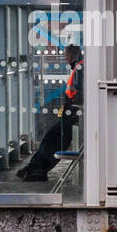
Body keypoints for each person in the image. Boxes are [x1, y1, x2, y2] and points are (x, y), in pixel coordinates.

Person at [18, 44, 83, 182]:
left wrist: (71, 109)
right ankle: (34, 168)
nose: (64, 57)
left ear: (70, 56)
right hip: (71, 112)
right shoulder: (79, 67)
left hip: (72, 113)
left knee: (53, 141)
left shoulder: (79, 69)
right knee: (52, 140)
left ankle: (37, 169)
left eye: (65, 55)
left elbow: (78, 93)